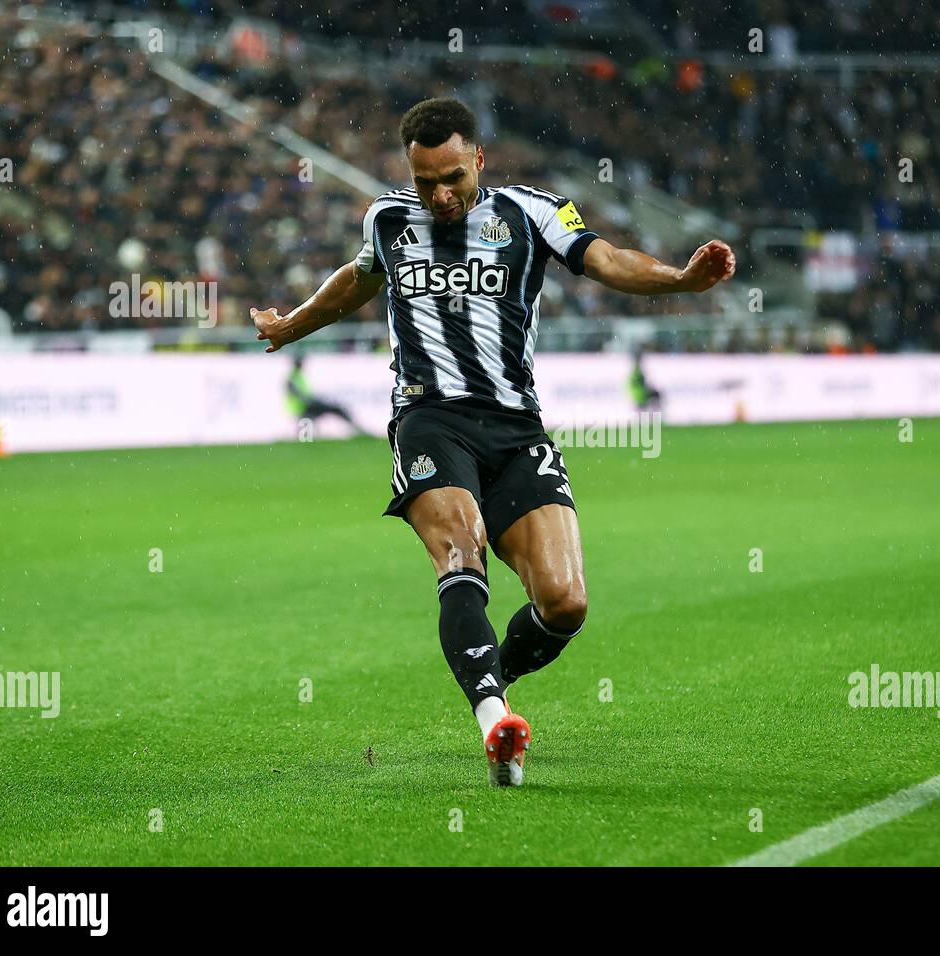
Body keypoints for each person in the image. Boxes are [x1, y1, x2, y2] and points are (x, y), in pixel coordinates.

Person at [250, 97, 735, 786]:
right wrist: (290, 326)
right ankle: (492, 721)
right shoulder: (389, 219)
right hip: (429, 417)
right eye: (426, 181)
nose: (441, 194)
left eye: (453, 176)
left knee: (565, 603)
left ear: (479, 158)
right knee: (459, 550)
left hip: (514, 425)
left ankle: (490, 676)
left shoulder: (533, 213)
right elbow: (357, 279)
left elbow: (605, 260)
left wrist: (680, 280)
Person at [286, 354, 368, 436]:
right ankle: (357, 429)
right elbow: (299, 394)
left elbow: (304, 394)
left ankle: (356, 429)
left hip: (306, 406)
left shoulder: (298, 376)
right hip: (303, 407)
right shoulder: (292, 378)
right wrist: (312, 400)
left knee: (330, 409)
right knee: (335, 409)